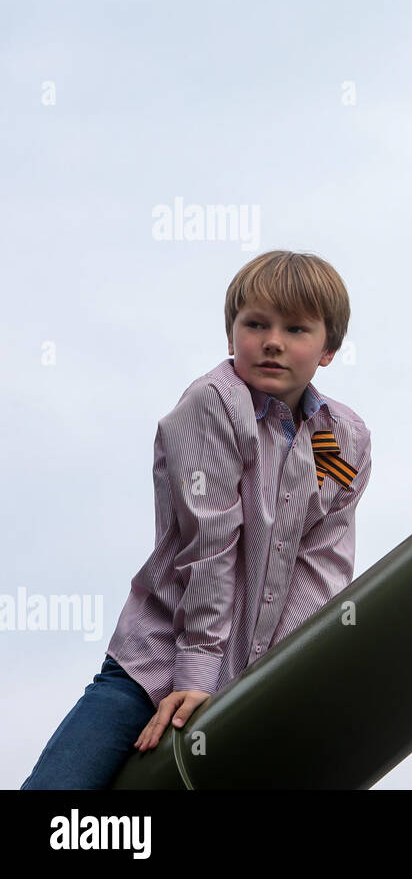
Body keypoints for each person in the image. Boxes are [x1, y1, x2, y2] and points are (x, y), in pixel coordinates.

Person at [21, 250, 373, 789]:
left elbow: (319, 569)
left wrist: (287, 682)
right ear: (232, 333)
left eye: (296, 328)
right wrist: (196, 674)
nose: (272, 341)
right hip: (157, 663)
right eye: (256, 324)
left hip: (249, 678)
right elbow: (209, 547)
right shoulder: (216, 404)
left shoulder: (342, 439)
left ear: (328, 349)